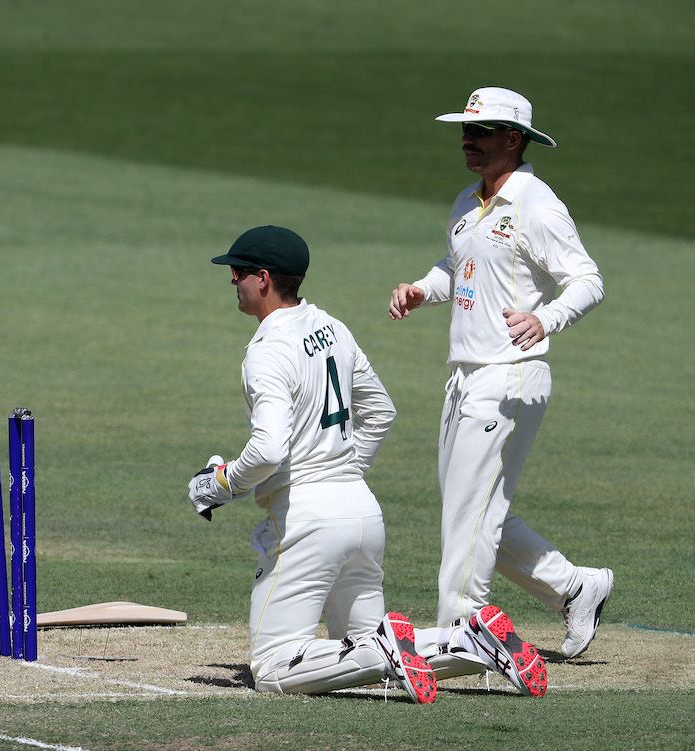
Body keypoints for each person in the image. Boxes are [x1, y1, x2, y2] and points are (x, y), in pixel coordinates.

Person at [387, 87, 612, 673]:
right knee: (475, 508)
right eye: (465, 130)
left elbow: (587, 279)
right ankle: (573, 587)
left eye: (481, 132)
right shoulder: (469, 199)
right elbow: (456, 266)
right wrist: (420, 290)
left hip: (510, 375)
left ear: (513, 140)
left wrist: (546, 318)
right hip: (464, 373)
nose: (468, 140)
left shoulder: (536, 204)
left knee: (468, 512)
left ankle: (462, 633)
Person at [187, 225, 445, 703]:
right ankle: (468, 644)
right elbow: (382, 412)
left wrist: (219, 484)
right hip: (362, 512)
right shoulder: (333, 327)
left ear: (263, 279)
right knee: (367, 653)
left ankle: (385, 650)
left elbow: (267, 451)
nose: (232, 281)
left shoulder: (267, 352)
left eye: (238, 272)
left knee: (271, 667)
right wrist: (343, 472)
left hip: (307, 522)